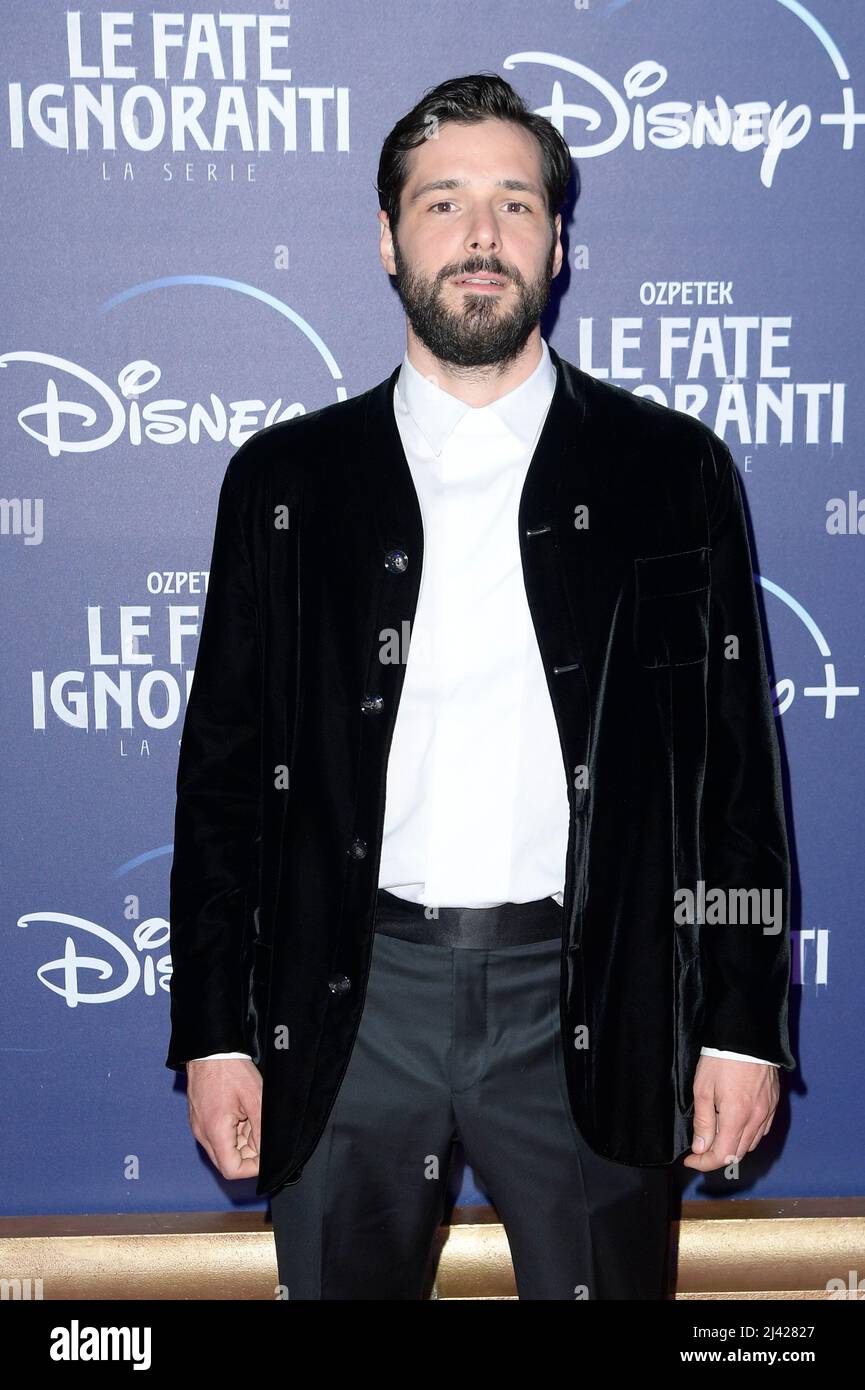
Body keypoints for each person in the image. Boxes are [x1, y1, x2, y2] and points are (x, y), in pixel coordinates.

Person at [166, 73, 795, 1300]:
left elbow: (734, 785)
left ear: (557, 244)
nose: (480, 235)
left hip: (591, 987)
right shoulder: (285, 483)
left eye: (514, 205)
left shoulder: (669, 472)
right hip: (355, 997)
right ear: (387, 236)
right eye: (443, 202)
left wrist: (739, 1023)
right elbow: (223, 781)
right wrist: (214, 1026)